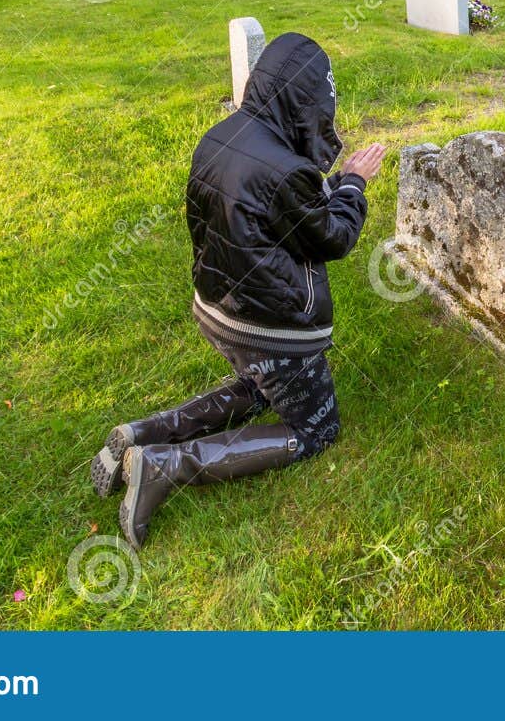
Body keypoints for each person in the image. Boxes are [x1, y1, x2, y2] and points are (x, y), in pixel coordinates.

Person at [90, 33, 385, 548]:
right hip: (267, 325)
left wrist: (332, 185)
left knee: (260, 387)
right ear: (306, 99)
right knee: (316, 429)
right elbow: (333, 237)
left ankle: (141, 434)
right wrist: (355, 183)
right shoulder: (288, 171)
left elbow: (282, 214)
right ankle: (165, 466)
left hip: (215, 308)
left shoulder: (221, 136)